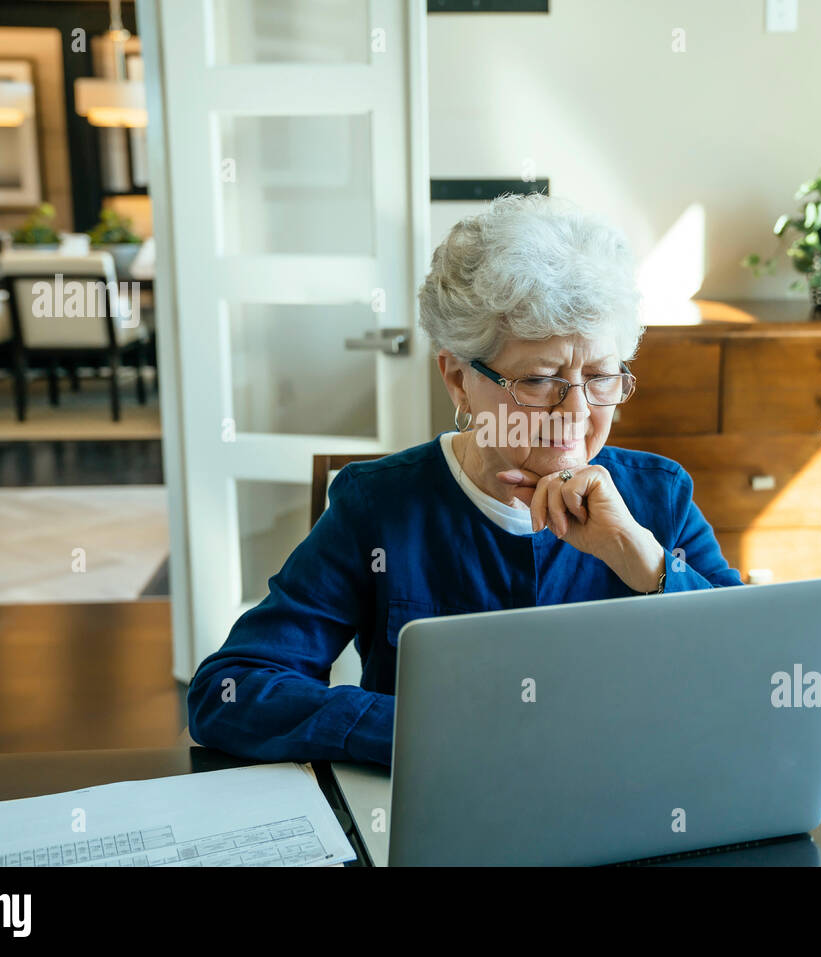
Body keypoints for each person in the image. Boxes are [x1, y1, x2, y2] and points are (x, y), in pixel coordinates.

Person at [187, 192, 744, 766]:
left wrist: (643, 558)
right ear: (457, 378)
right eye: (539, 380)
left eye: (600, 378)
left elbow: (751, 673)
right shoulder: (377, 506)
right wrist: (431, 731)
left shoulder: (659, 497)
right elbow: (229, 691)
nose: (575, 414)